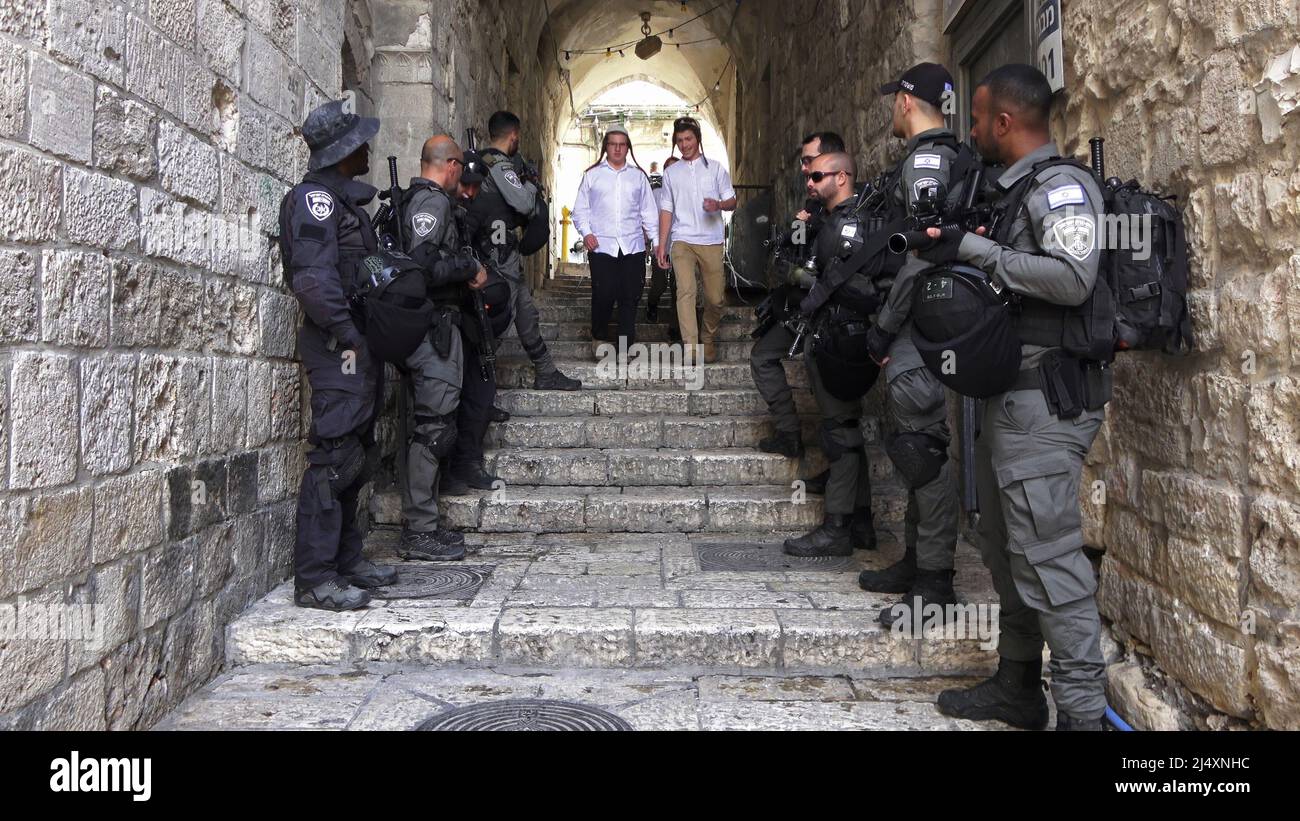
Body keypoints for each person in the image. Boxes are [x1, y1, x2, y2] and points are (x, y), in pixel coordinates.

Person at [921, 64, 1110, 731]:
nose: (971, 131)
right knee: (1008, 550)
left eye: (976, 119)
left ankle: (1084, 717)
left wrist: (978, 252)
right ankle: (1018, 686)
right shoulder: (1011, 188)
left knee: (1050, 559)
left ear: (1005, 121)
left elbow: (1071, 279)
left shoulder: (1060, 187)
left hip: (1046, 405)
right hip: (1011, 403)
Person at [278, 99, 397, 610]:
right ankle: (315, 576)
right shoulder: (314, 202)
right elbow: (312, 279)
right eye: (359, 143)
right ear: (341, 152)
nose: (368, 148)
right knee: (333, 458)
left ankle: (347, 561)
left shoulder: (344, 203)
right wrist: (348, 334)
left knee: (357, 455)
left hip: (358, 342)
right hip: (338, 346)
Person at [856, 64, 963, 625]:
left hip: (922, 325)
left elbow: (922, 255)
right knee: (919, 446)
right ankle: (919, 560)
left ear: (905, 101)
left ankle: (935, 580)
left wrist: (883, 327)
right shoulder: (942, 158)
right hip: (931, 323)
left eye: (893, 100)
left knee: (926, 453)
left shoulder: (926, 162)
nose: (890, 110)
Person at [391, 134, 485, 558]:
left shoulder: (423, 200)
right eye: (460, 167)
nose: (461, 175)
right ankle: (419, 531)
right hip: (432, 331)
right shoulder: (433, 203)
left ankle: (423, 522)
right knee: (432, 431)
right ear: (449, 165)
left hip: (430, 327)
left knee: (432, 427)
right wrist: (468, 266)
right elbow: (423, 265)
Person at [781, 151, 876, 557]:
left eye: (817, 175)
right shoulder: (829, 220)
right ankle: (863, 523)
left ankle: (838, 527)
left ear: (841, 177)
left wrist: (809, 278)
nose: (809, 182)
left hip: (842, 338)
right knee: (844, 427)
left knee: (840, 432)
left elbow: (862, 287)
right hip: (831, 333)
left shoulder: (852, 225)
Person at [465, 110, 581, 390]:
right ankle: (476, 387)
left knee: (526, 314)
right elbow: (524, 204)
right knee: (497, 322)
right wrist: (530, 182)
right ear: (514, 135)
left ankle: (546, 371)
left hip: (503, 255)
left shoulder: (485, 161)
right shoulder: (500, 166)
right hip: (497, 257)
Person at [750, 131, 845, 460]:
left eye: (810, 162)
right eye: (804, 163)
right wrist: (795, 230)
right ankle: (790, 435)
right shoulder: (813, 205)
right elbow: (796, 246)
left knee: (833, 400)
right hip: (801, 308)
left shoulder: (844, 211)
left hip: (829, 316)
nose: (805, 170)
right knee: (763, 356)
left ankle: (842, 493)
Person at [443, 149, 514, 494]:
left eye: (475, 187)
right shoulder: (439, 210)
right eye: (466, 185)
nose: (469, 193)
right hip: (447, 319)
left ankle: (465, 462)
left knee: (479, 388)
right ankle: (453, 468)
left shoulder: (469, 214)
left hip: (471, 318)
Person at [570, 126, 660, 357]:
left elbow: (648, 212)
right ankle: (599, 337)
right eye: (613, 144)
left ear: (627, 148)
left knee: (630, 294)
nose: (618, 148)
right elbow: (580, 210)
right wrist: (587, 233)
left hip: (633, 246)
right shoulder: (592, 175)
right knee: (605, 292)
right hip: (601, 246)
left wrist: (657, 242)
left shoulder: (638, 176)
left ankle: (625, 345)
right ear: (606, 147)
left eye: (622, 144)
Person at [656, 116, 736, 363]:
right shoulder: (671, 173)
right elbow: (666, 210)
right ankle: (690, 347)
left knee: (715, 298)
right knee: (685, 292)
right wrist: (662, 244)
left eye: (688, 139)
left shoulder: (716, 168)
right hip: (682, 240)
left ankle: (707, 336)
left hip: (711, 240)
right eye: (679, 140)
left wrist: (719, 205)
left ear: (697, 139)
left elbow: (732, 201)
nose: (684, 144)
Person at [645, 156, 680, 338]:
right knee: (660, 284)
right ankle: (652, 303)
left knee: (679, 288)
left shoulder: (687, 193)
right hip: (661, 248)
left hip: (682, 250)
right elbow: (649, 221)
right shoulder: (657, 194)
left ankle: (675, 326)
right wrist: (651, 244)